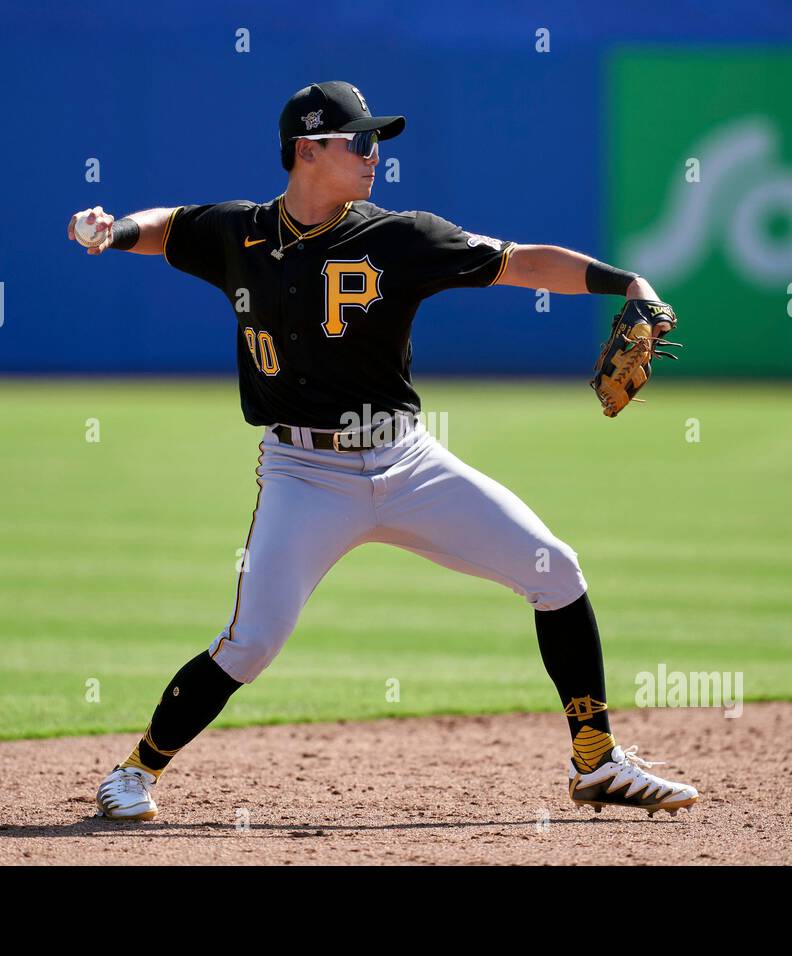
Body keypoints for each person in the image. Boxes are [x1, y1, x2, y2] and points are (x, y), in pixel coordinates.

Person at [68, 81, 698, 822]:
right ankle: (135, 771)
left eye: (378, 141)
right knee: (252, 642)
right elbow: (171, 226)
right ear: (308, 150)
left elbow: (521, 262)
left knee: (553, 568)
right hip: (305, 473)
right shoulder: (237, 233)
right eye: (359, 141)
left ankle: (596, 760)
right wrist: (113, 231)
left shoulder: (401, 238)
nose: (375, 155)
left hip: (408, 463)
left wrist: (627, 283)